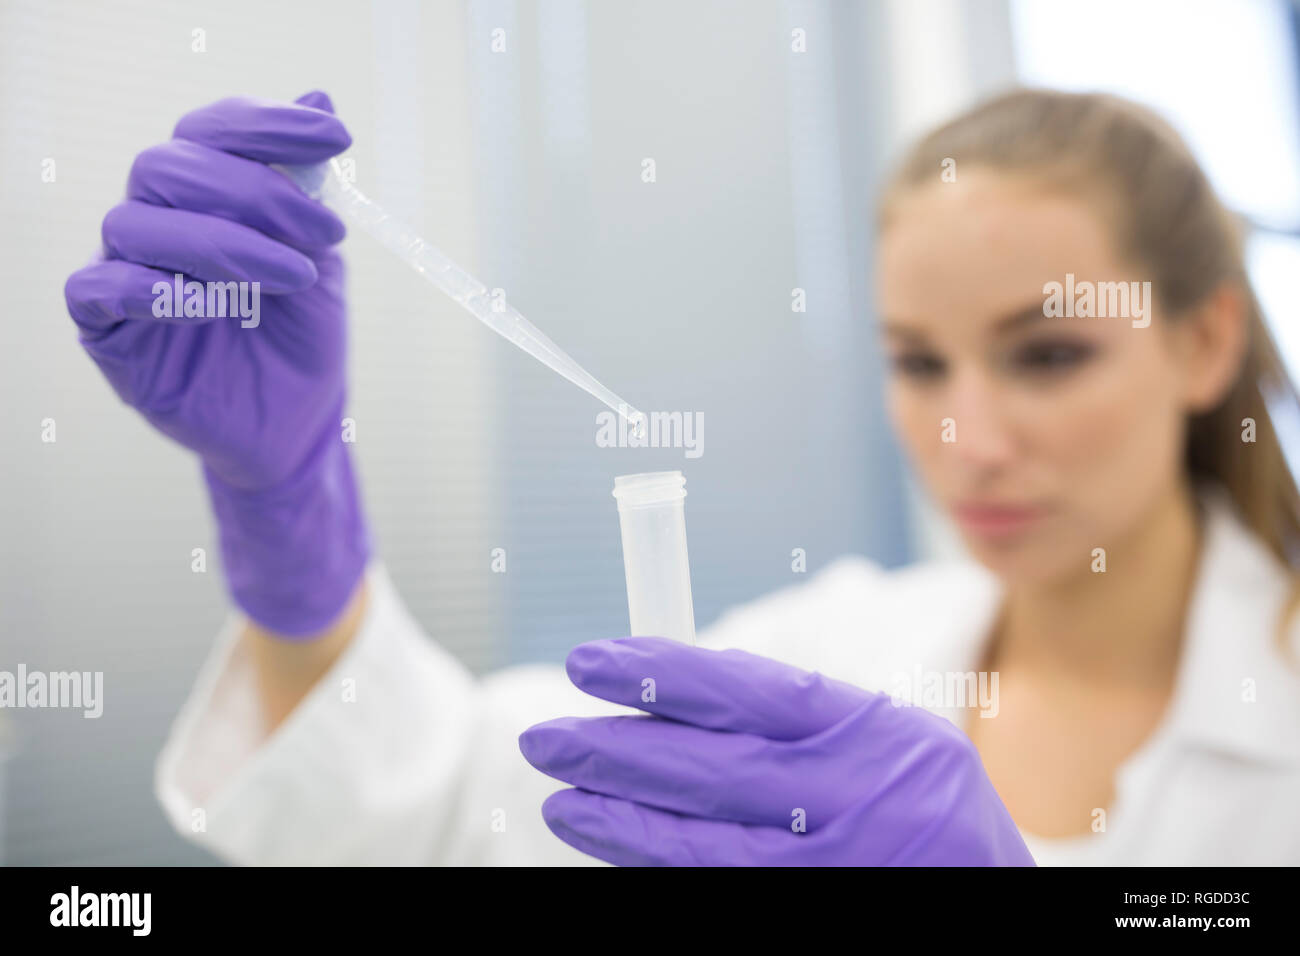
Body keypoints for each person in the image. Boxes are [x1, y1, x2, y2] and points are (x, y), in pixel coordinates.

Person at [63, 88, 1300, 866]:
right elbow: (442, 808)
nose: (967, 438)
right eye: (918, 363)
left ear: (1202, 341)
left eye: (1047, 352)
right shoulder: (854, 645)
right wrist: (289, 509)